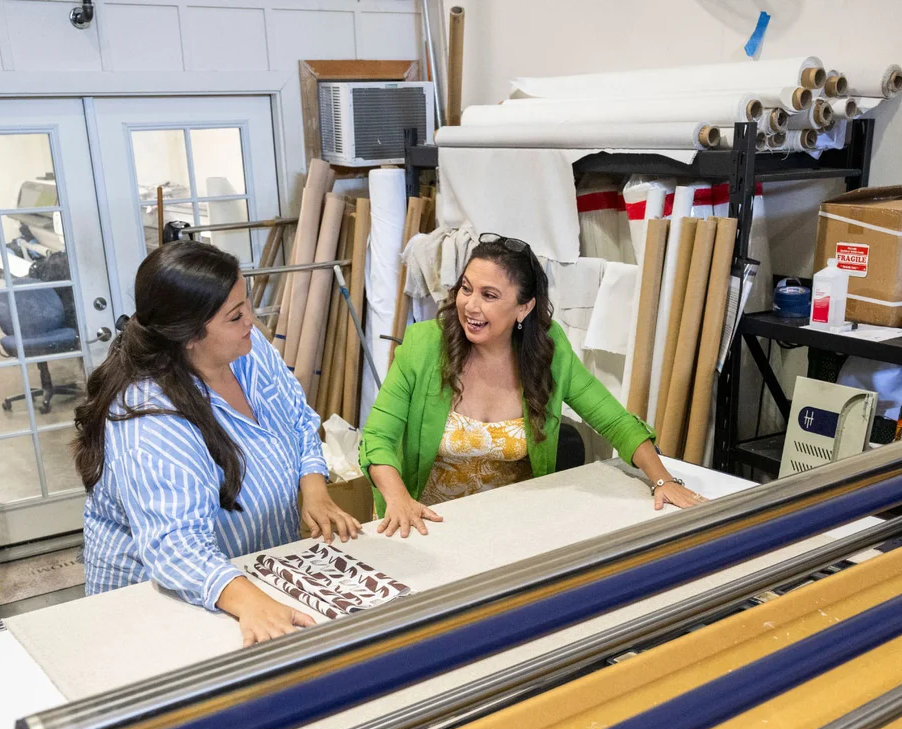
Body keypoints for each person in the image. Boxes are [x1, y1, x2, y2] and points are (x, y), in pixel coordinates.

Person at [74, 241, 360, 646]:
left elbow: (297, 415)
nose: (252, 321)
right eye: (236, 315)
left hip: (250, 569)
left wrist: (313, 486)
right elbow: (176, 548)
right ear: (189, 334)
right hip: (166, 599)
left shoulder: (247, 348)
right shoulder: (149, 419)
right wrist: (248, 601)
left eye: (247, 305)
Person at [360, 234, 704, 538]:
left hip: (513, 526)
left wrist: (663, 480)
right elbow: (378, 437)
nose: (470, 305)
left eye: (489, 295)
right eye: (466, 289)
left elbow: (614, 421)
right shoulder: (424, 346)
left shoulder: (548, 352)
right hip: (426, 523)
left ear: (524, 308)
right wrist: (398, 498)